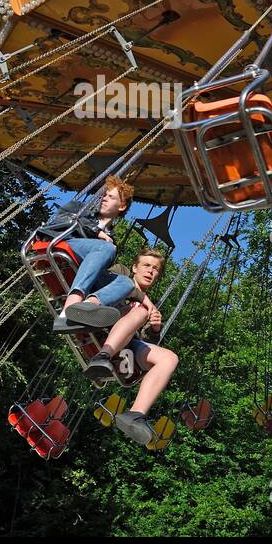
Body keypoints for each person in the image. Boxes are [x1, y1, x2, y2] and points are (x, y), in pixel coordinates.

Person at [79, 249, 178, 446]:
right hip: (102, 323)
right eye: (147, 265)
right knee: (140, 311)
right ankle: (103, 356)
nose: (151, 271)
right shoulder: (121, 273)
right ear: (135, 267)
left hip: (127, 343)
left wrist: (155, 331)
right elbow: (100, 280)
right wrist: (141, 299)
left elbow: (146, 342)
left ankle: (135, 414)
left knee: (169, 358)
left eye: (156, 269)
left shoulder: (151, 308)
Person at [39, 175, 137, 333]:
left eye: (110, 197)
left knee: (127, 283)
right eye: (104, 195)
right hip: (65, 242)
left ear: (122, 206)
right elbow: (58, 222)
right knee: (106, 248)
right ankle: (70, 307)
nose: (104, 199)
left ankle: (88, 306)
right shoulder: (81, 209)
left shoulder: (110, 239)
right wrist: (96, 231)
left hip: (84, 262)